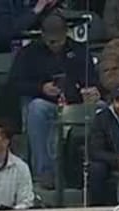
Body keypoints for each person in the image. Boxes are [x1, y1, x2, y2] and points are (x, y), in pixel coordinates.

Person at [13, 11, 101, 187]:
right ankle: (44, 173)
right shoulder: (29, 53)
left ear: (65, 33)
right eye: (51, 41)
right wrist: (41, 88)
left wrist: (93, 92)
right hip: (47, 104)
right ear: (43, 35)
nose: (55, 45)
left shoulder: (79, 50)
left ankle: (91, 173)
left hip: (77, 103)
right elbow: (14, 84)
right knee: (37, 108)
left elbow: (93, 81)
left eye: (59, 40)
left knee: (103, 108)